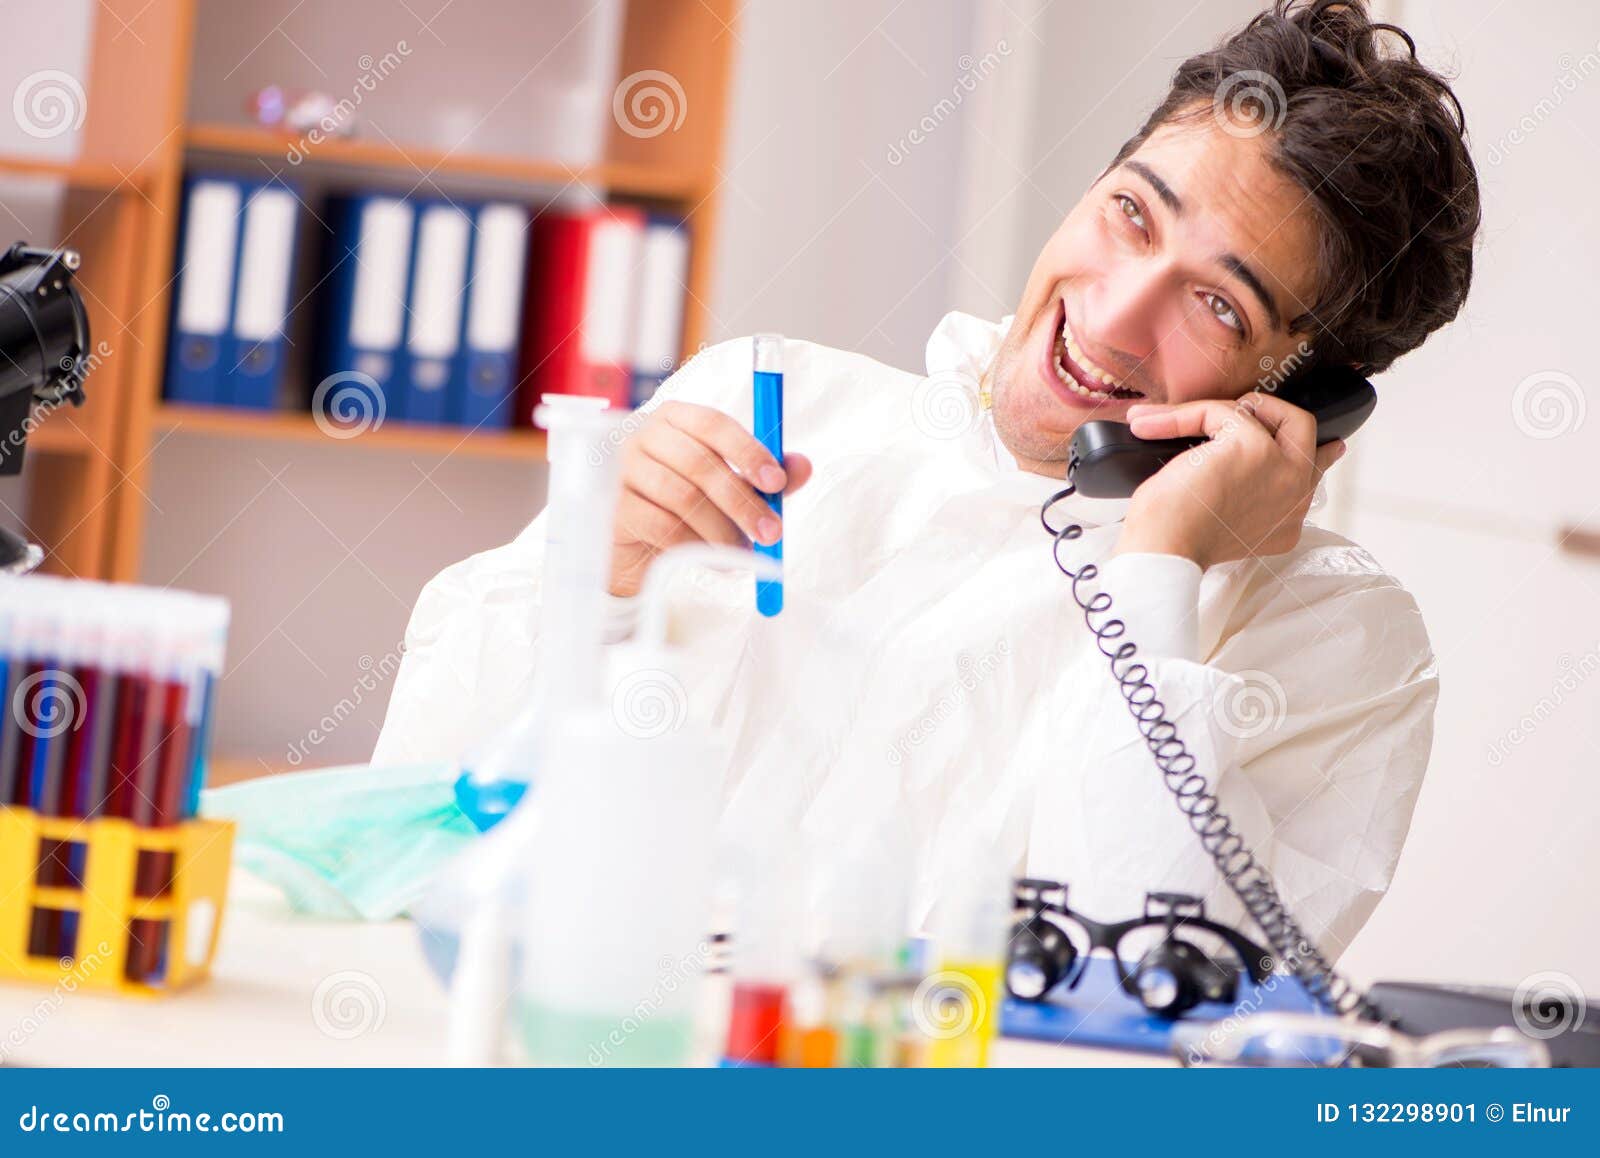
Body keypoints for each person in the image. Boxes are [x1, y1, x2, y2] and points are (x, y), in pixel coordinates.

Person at [374, 0, 1480, 954]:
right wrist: (594, 587)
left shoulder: (1341, 644)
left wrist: (1159, 574)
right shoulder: (766, 403)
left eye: (1217, 304)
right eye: (1130, 214)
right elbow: (406, 815)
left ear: (1299, 401)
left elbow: (1140, 1007)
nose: (1113, 310)